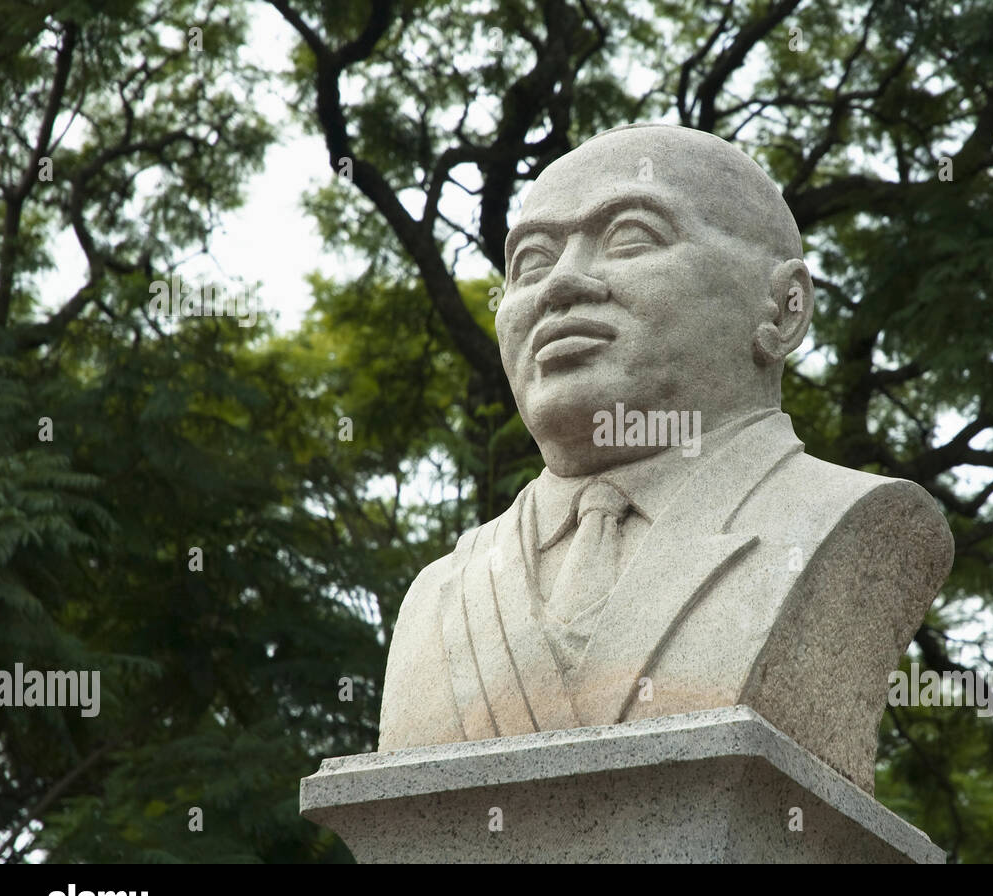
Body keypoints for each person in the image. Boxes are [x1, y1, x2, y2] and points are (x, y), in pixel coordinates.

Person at [378, 123, 953, 790]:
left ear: (783, 308)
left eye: (631, 237)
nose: (559, 286)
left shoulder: (848, 524)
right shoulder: (438, 597)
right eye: (531, 260)